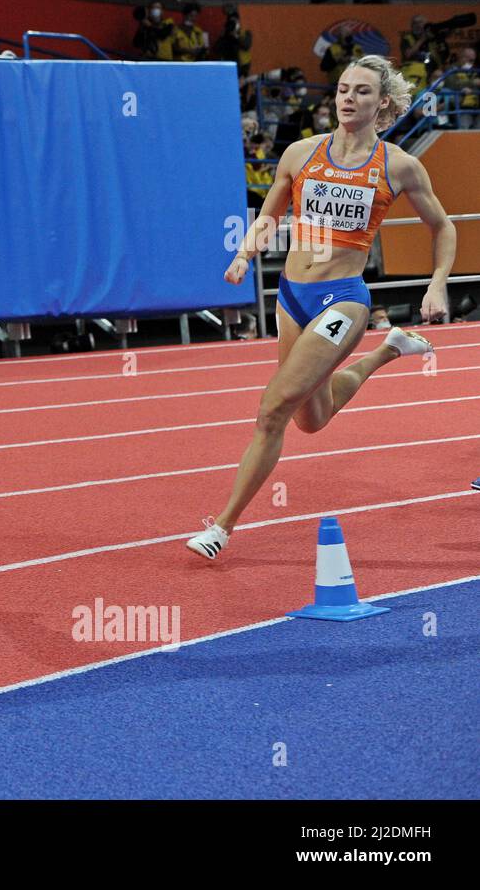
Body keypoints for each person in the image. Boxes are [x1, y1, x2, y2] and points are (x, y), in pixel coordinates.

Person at [187, 56, 456, 560]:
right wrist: (244, 255)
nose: (348, 98)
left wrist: (437, 283)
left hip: (344, 301)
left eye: (361, 91)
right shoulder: (300, 153)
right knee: (312, 418)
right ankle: (387, 352)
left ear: (383, 105)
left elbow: (443, 226)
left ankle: (221, 527)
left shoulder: (397, 165)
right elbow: (268, 216)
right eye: (342, 89)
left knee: (273, 410)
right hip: (292, 295)